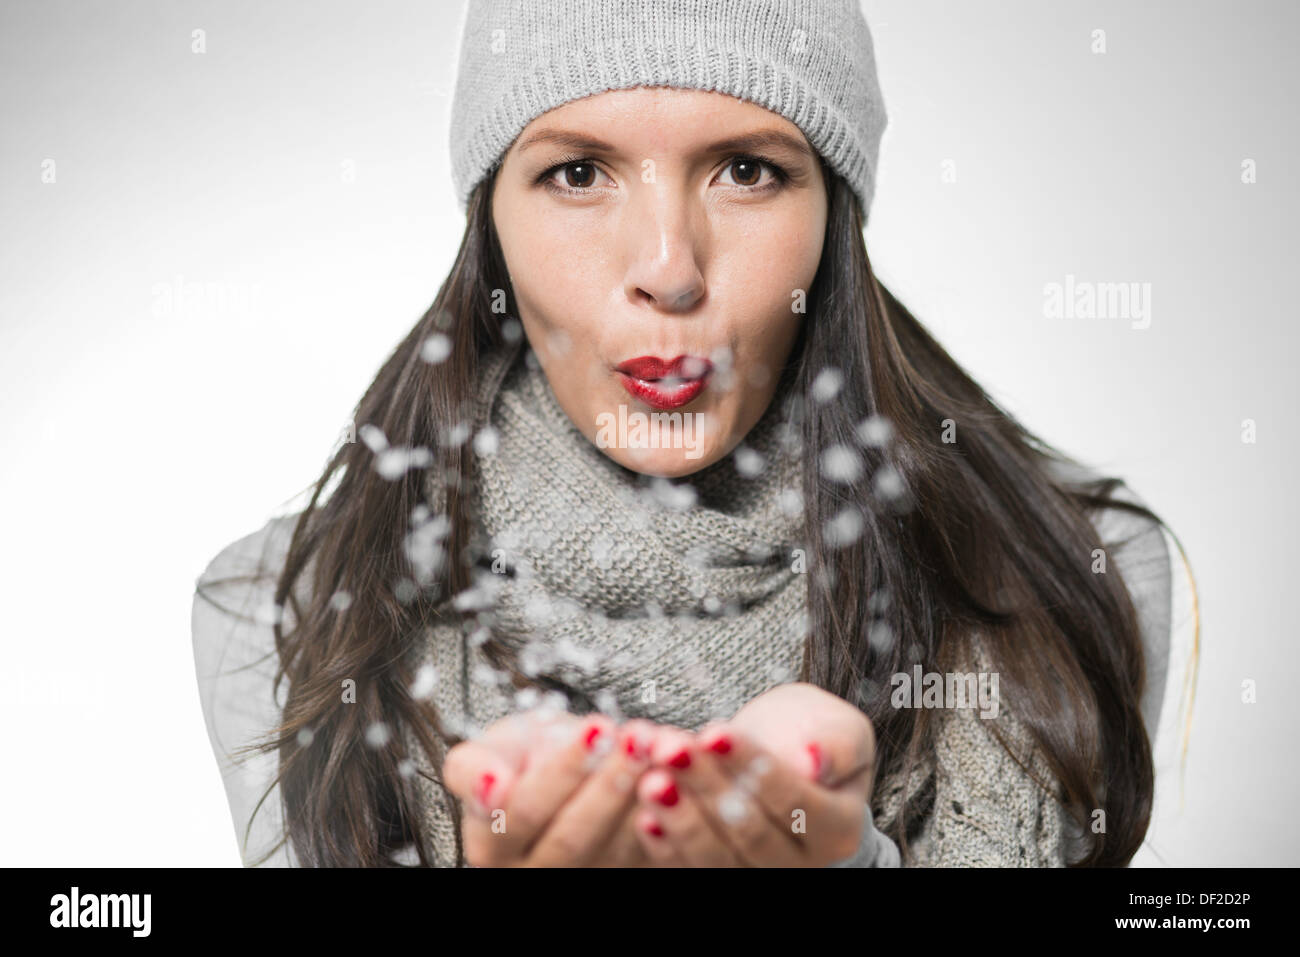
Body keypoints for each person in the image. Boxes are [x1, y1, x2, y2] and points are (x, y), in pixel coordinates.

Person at [192, 0, 1199, 867]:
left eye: (748, 171)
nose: (669, 267)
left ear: (833, 211)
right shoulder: (284, 616)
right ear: (488, 216)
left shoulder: (1080, 573)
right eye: (579, 173)